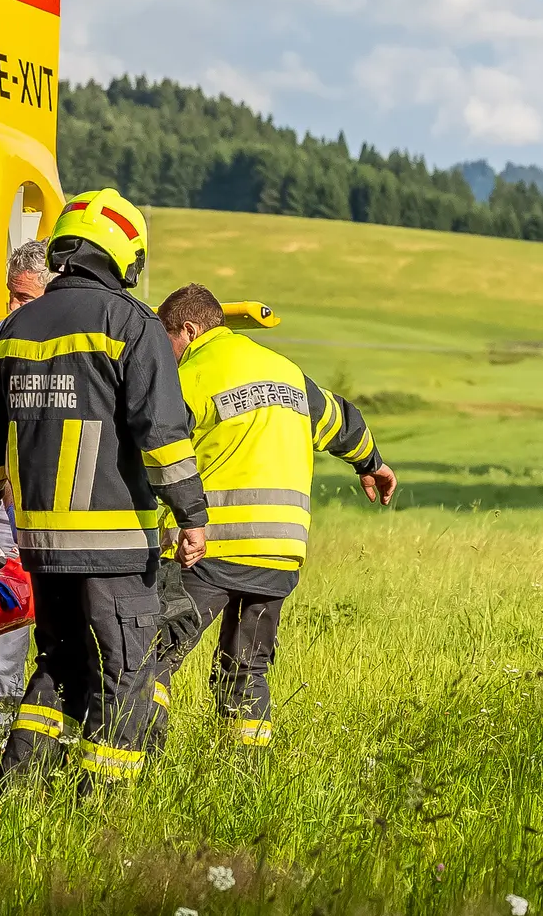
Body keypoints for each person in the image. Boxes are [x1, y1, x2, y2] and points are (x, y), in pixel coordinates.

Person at [0, 191, 208, 789]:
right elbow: (163, 433)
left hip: (42, 544)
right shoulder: (131, 323)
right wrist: (192, 514)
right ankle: (103, 804)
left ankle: (16, 787)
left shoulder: (14, 329)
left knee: (57, 664)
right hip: (114, 543)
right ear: (122, 254)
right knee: (125, 671)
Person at [150, 282, 397, 749]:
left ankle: (142, 754)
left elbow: (158, 449)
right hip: (282, 552)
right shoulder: (285, 371)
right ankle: (246, 773)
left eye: (166, 338)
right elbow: (342, 421)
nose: (165, 352)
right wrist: (373, 464)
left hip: (212, 549)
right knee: (248, 667)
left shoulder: (192, 377)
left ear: (187, 329)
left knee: (154, 652)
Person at [0, 238, 51, 736]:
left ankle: (46, 733)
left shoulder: (75, 337)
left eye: (22, 297)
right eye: (10, 295)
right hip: (5, 506)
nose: (11, 307)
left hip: (58, 508)